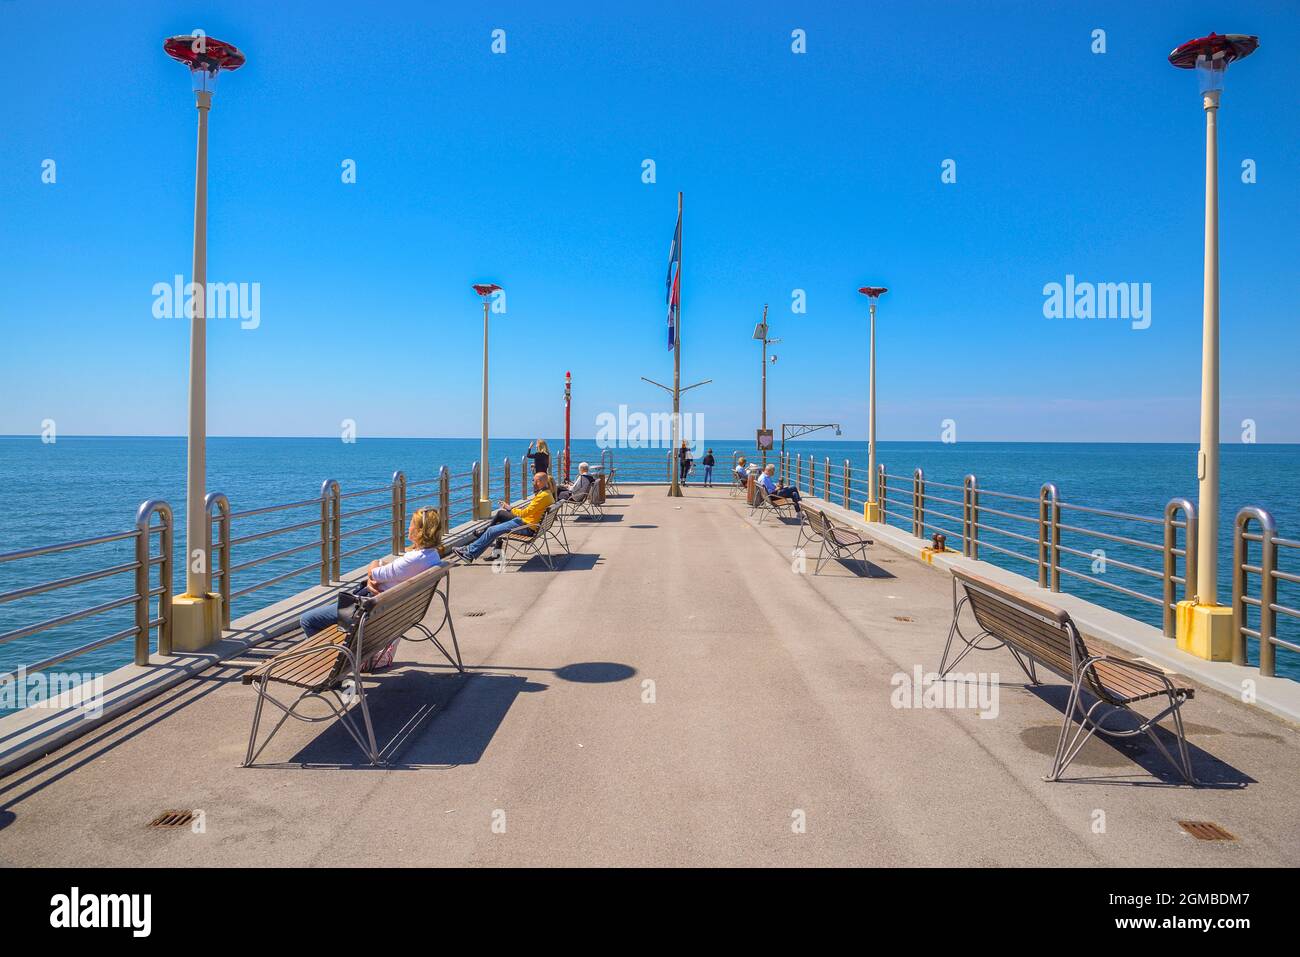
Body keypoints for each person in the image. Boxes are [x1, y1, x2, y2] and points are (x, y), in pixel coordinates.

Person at [299, 506, 443, 642]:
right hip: (397, 611)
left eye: (411, 524)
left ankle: (327, 658)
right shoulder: (431, 556)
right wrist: (374, 576)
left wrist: (375, 562)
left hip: (371, 613)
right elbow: (390, 570)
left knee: (307, 619)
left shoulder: (413, 560)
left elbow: (374, 572)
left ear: (420, 531)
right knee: (332, 608)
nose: (408, 527)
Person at [454, 471, 555, 563]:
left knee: (491, 530)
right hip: (529, 524)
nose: (532, 482)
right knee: (496, 526)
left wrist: (509, 508)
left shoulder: (542, 496)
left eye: (534, 480)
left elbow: (524, 513)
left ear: (540, 482)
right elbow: (531, 511)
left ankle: (469, 552)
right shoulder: (547, 494)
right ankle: (470, 552)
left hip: (527, 526)